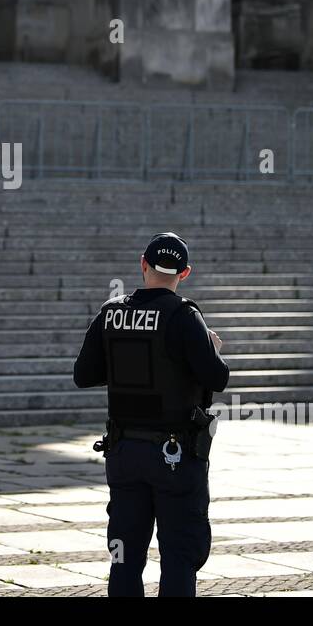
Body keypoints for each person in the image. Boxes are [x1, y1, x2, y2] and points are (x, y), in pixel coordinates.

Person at [73, 232, 229, 597]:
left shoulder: (112, 312)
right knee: (179, 554)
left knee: (124, 556)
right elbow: (217, 378)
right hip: (174, 456)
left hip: (124, 453)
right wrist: (213, 347)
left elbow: (83, 375)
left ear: (142, 263)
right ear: (184, 272)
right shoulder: (185, 316)